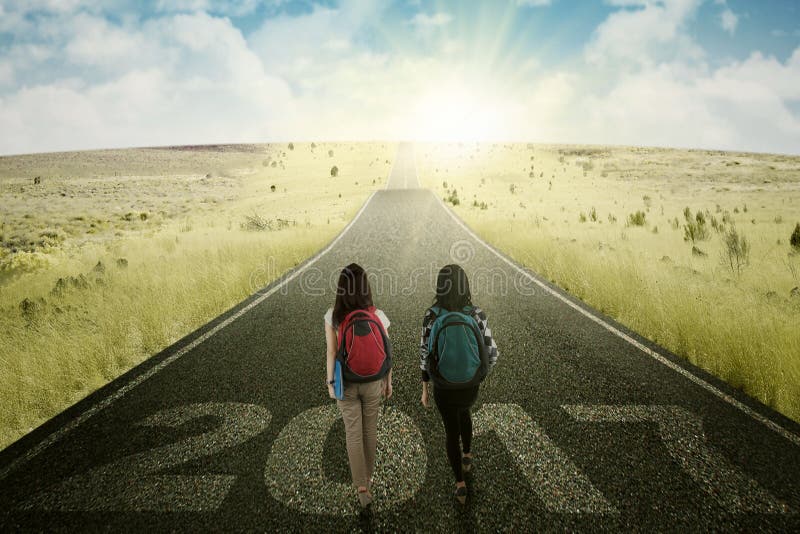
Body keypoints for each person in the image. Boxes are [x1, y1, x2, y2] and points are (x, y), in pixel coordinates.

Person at [419, 264, 498, 505]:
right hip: (469, 387)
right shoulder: (477, 314)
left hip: (443, 387)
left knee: (450, 431)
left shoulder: (431, 315)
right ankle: (468, 455)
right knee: (465, 411)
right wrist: (478, 373)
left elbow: (425, 354)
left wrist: (425, 387)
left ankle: (460, 484)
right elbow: (493, 353)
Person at [324, 263, 393, 511]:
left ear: (341, 288)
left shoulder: (333, 316)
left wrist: (331, 383)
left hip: (347, 381)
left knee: (353, 432)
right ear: (366, 287)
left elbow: (331, 352)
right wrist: (388, 381)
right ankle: (370, 477)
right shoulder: (378, 315)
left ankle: (361, 487)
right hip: (373, 380)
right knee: (370, 430)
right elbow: (386, 350)